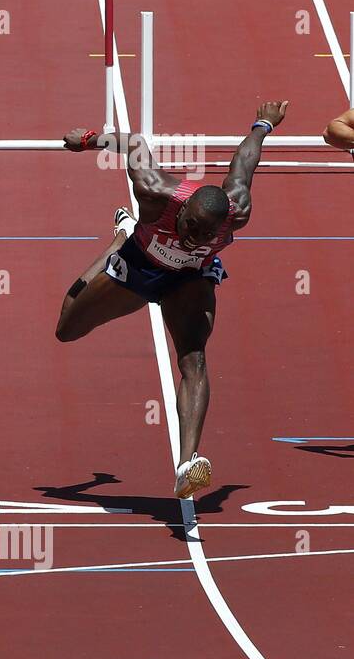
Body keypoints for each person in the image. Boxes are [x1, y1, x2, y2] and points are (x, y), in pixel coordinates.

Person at [56, 101, 289, 498]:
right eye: (190, 226)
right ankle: (120, 236)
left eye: (204, 234)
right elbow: (134, 144)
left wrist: (263, 124)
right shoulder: (154, 191)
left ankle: (187, 463)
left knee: (193, 357)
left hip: (189, 279)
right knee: (67, 329)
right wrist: (90, 140)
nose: (193, 237)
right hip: (139, 266)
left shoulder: (237, 210)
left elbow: (244, 162)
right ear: (182, 210)